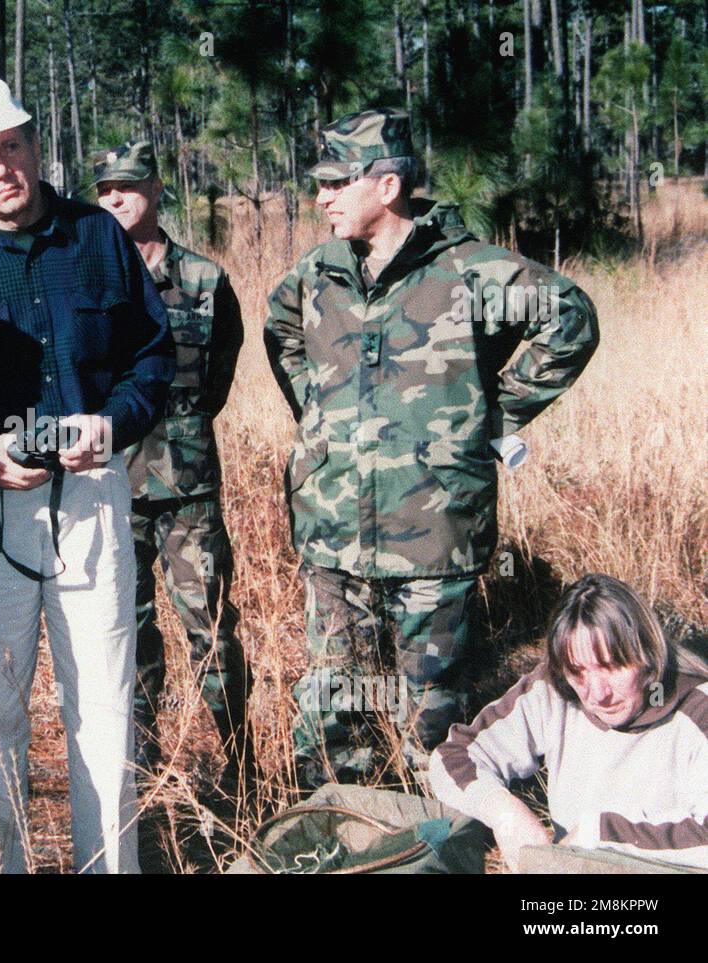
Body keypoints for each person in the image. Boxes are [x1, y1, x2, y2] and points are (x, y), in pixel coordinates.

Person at [264, 108, 600, 790]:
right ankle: (337, 829)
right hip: (333, 529)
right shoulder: (317, 274)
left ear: (386, 187)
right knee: (333, 705)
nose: (321, 197)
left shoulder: (469, 271)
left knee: (433, 712)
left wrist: (491, 412)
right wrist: (323, 419)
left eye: (335, 181)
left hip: (434, 530)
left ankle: (441, 838)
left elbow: (572, 320)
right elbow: (282, 332)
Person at [0, 79, 174, 873]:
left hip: (89, 498)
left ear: (33, 143)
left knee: (106, 710)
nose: (3, 169)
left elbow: (153, 356)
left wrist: (112, 422)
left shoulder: (97, 238)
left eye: (11, 147)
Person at [91, 141, 253, 794]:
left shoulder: (207, 281)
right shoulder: (86, 279)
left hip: (187, 490)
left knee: (210, 629)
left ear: (158, 191)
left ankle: (239, 765)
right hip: (107, 489)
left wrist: (180, 429)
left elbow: (219, 373)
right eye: (104, 190)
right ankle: (141, 769)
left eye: (128, 187)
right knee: (126, 632)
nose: (115, 199)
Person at [430, 574, 708, 872]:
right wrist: (503, 812)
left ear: (648, 655)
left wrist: (600, 835)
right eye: (578, 672)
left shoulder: (698, 710)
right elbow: (453, 757)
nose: (598, 694)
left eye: (613, 666)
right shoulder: (553, 690)